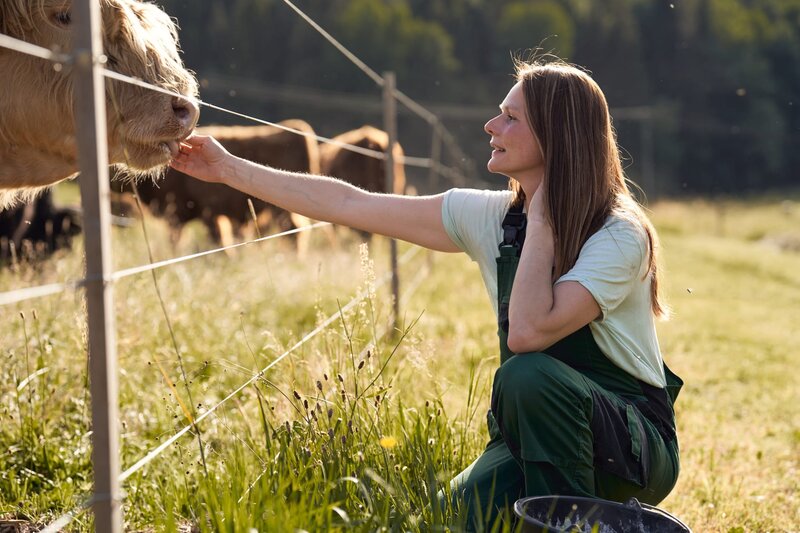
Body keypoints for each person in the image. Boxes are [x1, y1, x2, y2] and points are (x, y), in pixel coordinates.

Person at [170, 58, 682, 530]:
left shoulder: (618, 234)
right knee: (442, 522)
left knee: (528, 374)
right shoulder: (493, 218)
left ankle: (569, 522)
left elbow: (528, 334)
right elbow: (351, 203)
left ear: (556, 136)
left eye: (510, 118)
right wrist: (229, 169)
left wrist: (544, 216)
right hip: (529, 435)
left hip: (629, 443)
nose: (491, 126)